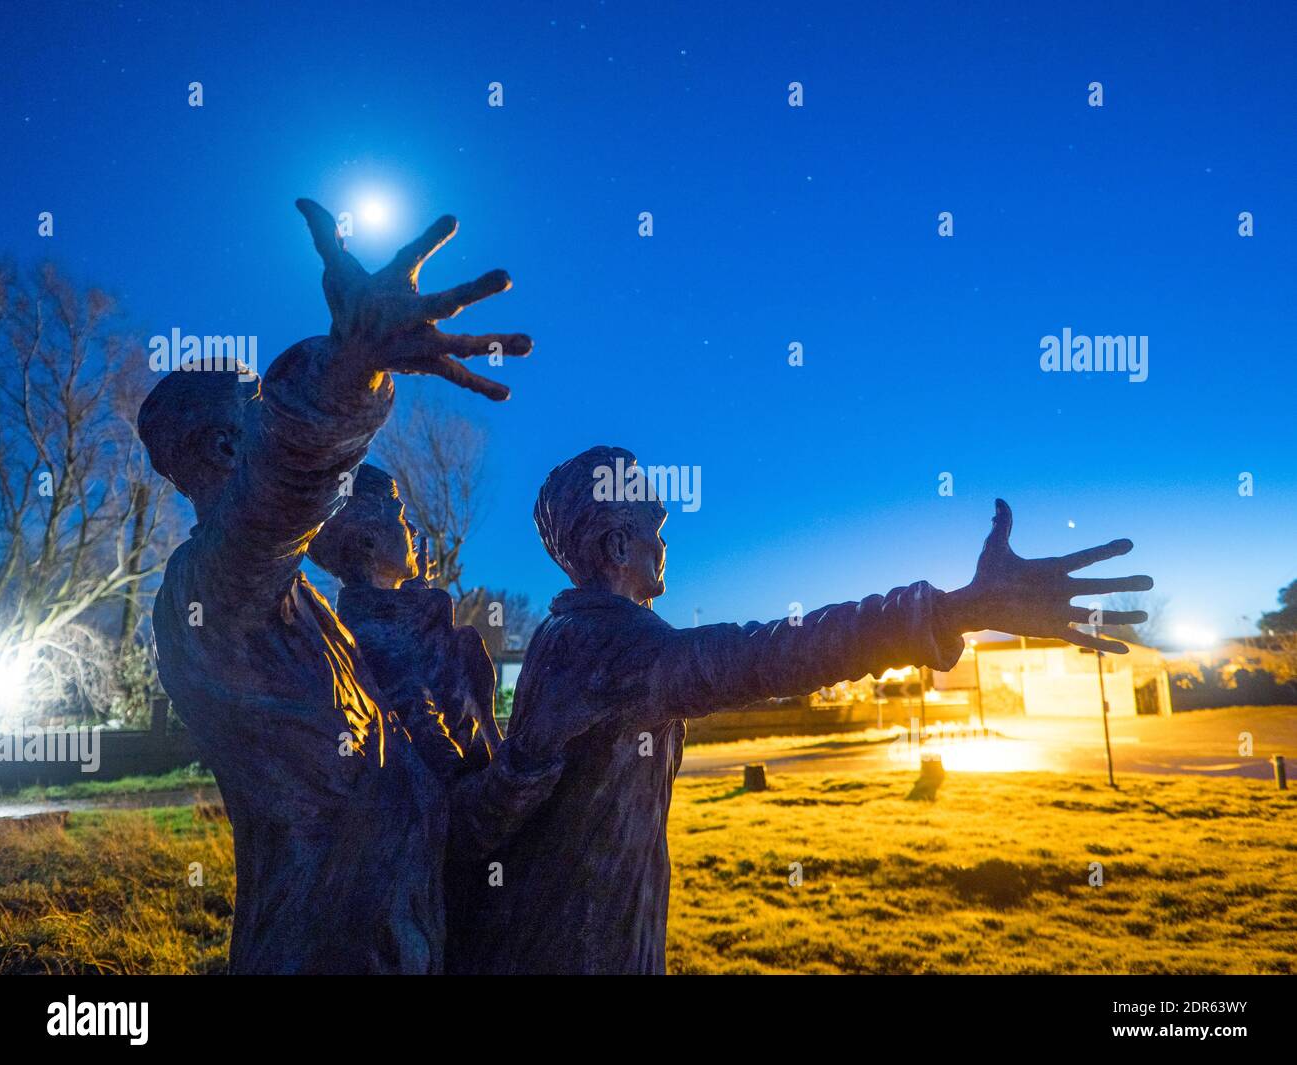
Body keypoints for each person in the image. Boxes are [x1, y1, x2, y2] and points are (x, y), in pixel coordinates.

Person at [456, 445, 1153, 974]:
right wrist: (948, 610)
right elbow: (769, 654)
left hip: (595, 929)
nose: (665, 541)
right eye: (652, 526)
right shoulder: (603, 645)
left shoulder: (586, 639)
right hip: (569, 942)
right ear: (616, 546)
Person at [140, 200, 585, 974]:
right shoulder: (209, 594)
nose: (278, 422)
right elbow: (278, 494)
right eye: (261, 414)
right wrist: (348, 371)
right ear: (223, 444)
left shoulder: (295, 607)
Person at [307, 462, 501, 762]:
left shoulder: (389, 624)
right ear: (369, 542)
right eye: (400, 515)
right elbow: (442, 762)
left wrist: (418, 593)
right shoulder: (373, 643)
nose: (411, 529)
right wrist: (515, 779)